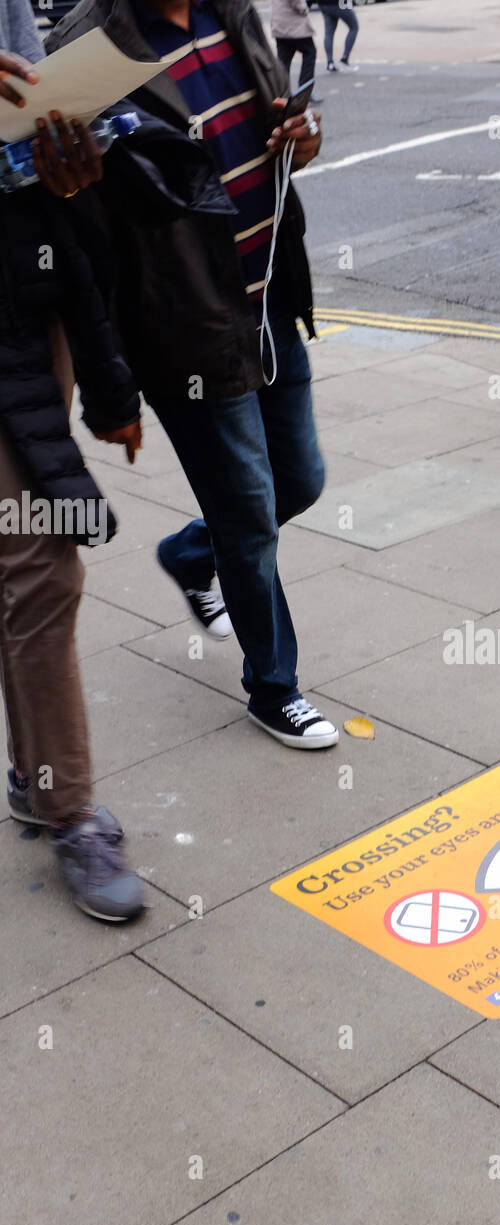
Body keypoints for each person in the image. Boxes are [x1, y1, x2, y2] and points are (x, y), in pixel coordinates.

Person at [48, 0, 341, 749]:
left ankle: (188, 553)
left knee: (299, 482)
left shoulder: (235, 12)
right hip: (183, 321)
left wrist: (300, 142)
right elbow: (75, 219)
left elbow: (279, 139)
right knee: (249, 515)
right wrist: (109, 377)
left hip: (270, 287)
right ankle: (273, 687)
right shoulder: (85, 48)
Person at [0, 1, 147, 921]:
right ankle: (65, 806)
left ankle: (45, 784)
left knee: (32, 565)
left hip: (19, 308)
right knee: (35, 566)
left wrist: (60, 162)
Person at [271, 0, 320, 96]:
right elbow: (298, 4)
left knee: (284, 61)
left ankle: (281, 93)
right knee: (310, 52)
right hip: (294, 27)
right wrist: (305, 8)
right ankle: (304, 91)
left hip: (280, 25)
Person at [317, 0, 359, 74]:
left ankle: (330, 63)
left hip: (323, 4)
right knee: (354, 27)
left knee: (329, 33)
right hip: (339, 3)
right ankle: (345, 58)